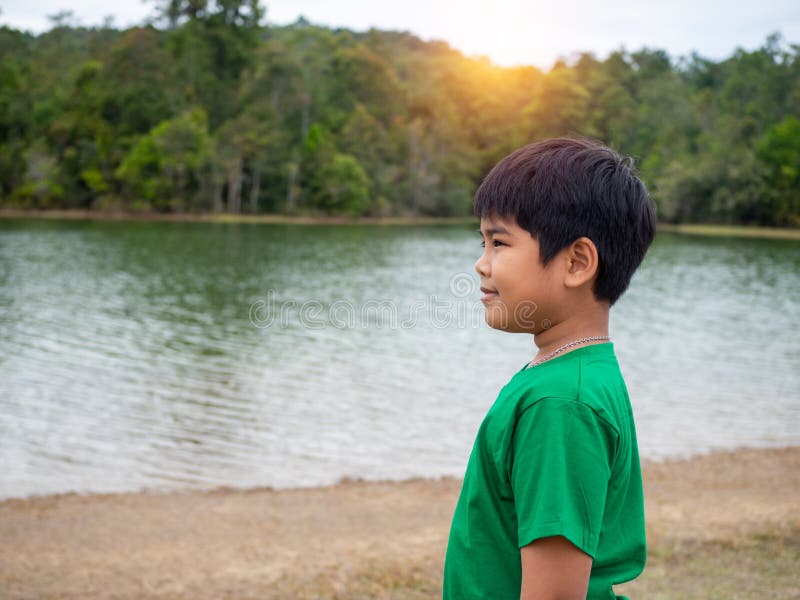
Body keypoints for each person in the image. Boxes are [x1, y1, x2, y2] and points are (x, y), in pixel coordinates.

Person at [443, 137, 656, 600]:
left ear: (576, 262)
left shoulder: (561, 402)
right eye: (481, 242)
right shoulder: (574, 373)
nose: (481, 264)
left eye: (499, 242)